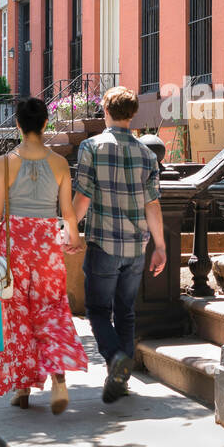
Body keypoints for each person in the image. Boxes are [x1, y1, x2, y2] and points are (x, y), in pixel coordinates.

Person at [0, 97, 88, 414]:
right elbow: (67, 211)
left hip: (10, 244)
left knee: (12, 316)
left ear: (17, 125)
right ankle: (58, 375)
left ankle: (22, 388)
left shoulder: (4, 163)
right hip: (46, 243)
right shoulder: (60, 163)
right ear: (45, 124)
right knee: (51, 308)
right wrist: (75, 239)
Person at [72, 86, 166, 404]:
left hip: (103, 244)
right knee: (125, 313)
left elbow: (83, 196)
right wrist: (161, 246)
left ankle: (115, 359)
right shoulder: (148, 154)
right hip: (137, 247)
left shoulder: (91, 147)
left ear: (106, 111)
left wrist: (70, 229)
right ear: (133, 114)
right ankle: (121, 379)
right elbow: (153, 205)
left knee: (98, 310)